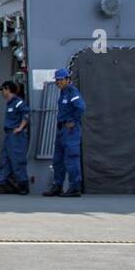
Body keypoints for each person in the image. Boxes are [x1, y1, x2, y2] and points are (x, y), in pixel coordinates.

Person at [45, 68, 86, 198]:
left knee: (71, 159)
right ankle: (58, 186)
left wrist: (74, 120)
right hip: (62, 130)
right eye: (57, 80)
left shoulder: (72, 91)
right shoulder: (63, 92)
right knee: (58, 160)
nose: (58, 82)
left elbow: (81, 107)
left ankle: (75, 188)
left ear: (68, 79)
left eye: (61, 79)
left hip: (71, 131)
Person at [0, 80, 31, 195]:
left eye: (2, 89)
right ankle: (2, 183)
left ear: (7, 89)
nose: (2, 92)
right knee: (5, 160)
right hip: (9, 135)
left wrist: (20, 128)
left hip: (16, 136)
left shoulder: (18, 102)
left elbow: (26, 114)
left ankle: (23, 184)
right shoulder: (10, 103)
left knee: (17, 159)